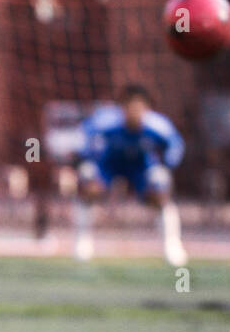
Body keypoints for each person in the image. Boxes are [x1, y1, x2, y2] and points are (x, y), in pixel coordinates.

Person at [73, 85, 189, 267]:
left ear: (147, 109)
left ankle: (172, 245)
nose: (134, 112)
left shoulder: (157, 125)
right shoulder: (107, 121)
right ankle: (83, 242)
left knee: (159, 182)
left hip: (140, 166)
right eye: (130, 107)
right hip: (109, 164)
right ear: (122, 108)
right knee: (87, 178)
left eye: (139, 108)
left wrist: (167, 165)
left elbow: (175, 144)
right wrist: (85, 158)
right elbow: (82, 135)